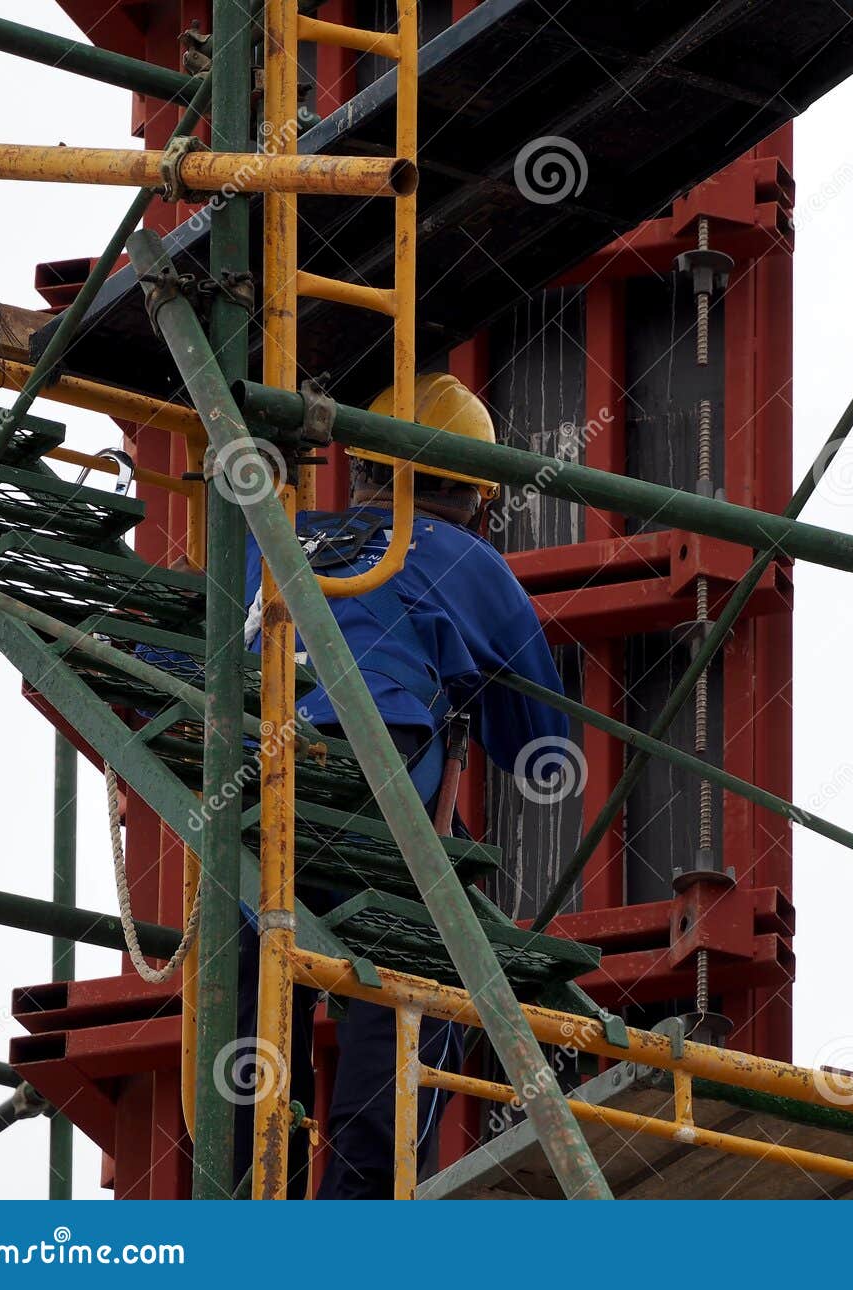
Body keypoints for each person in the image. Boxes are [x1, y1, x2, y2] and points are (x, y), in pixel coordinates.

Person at [231, 372, 569, 1198]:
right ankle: (358, 1216)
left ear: (366, 471)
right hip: (367, 769)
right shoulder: (464, 557)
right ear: (476, 496)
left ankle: (242, 1201)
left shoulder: (273, 537)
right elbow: (543, 747)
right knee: (416, 973)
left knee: (254, 987)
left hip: (243, 777)